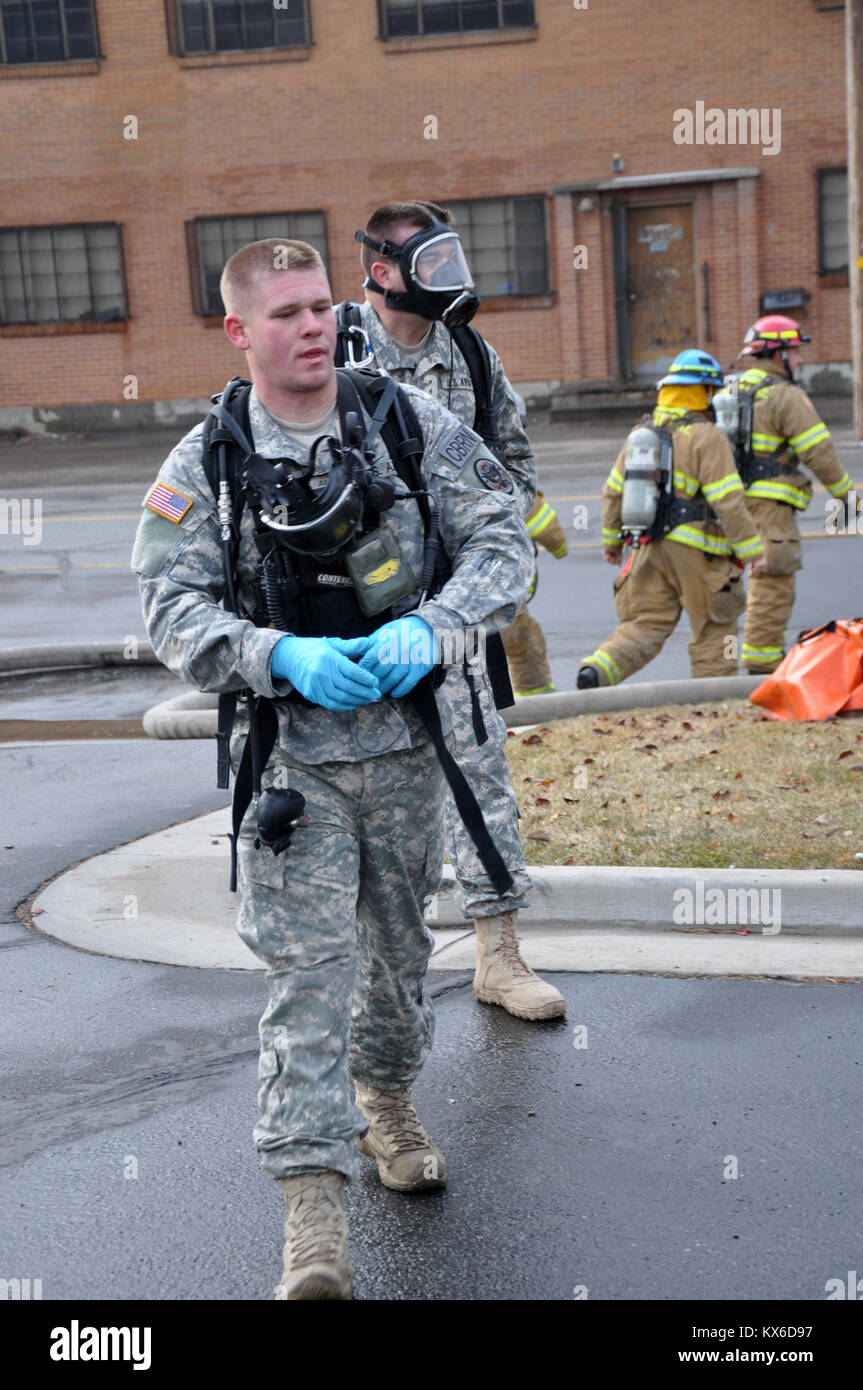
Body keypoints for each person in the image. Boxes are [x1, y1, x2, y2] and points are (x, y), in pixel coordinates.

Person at [131, 238, 533, 1300]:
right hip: (292, 772)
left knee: (398, 963)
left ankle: (388, 1103)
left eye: (319, 306)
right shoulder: (208, 461)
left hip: (405, 754)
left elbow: (502, 535)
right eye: (283, 314)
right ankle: (312, 1218)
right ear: (239, 331)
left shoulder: (403, 423)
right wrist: (275, 655)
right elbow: (169, 607)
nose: (310, 326)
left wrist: (439, 626)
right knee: (305, 984)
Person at [336, 199, 566, 1022]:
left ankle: (499, 959)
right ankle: (364, 985)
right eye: (429, 263)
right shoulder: (331, 343)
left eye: (452, 259)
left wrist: (490, 566)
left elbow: (510, 461)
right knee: (361, 793)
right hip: (350, 621)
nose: (448, 278)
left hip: (451, 613)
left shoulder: (468, 351)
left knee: (478, 779)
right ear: (383, 270)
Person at [577, 350, 766, 688]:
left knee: (645, 624)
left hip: (647, 549)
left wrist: (611, 542)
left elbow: (612, 491)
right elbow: (728, 500)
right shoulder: (708, 436)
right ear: (703, 393)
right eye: (714, 391)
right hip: (697, 552)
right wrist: (753, 551)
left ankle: (596, 671)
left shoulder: (642, 433)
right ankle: (716, 703)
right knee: (715, 628)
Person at [729, 316, 853, 674]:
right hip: (769, 509)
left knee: (731, 583)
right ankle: (762, 665)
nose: (800, 359)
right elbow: (818, 451)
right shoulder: (786, 396)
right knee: (774, 581)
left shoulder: (729, 390)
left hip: (731, 508)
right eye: (796, 351)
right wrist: (846, 497)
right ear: (778, 353)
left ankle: (720, 670)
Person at [503, 490, 569, 696]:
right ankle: (537, 702)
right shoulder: (504, 478)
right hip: (503, 591)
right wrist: (560, 548)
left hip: (447, 594)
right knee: (523, 644)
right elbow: (545, 524)